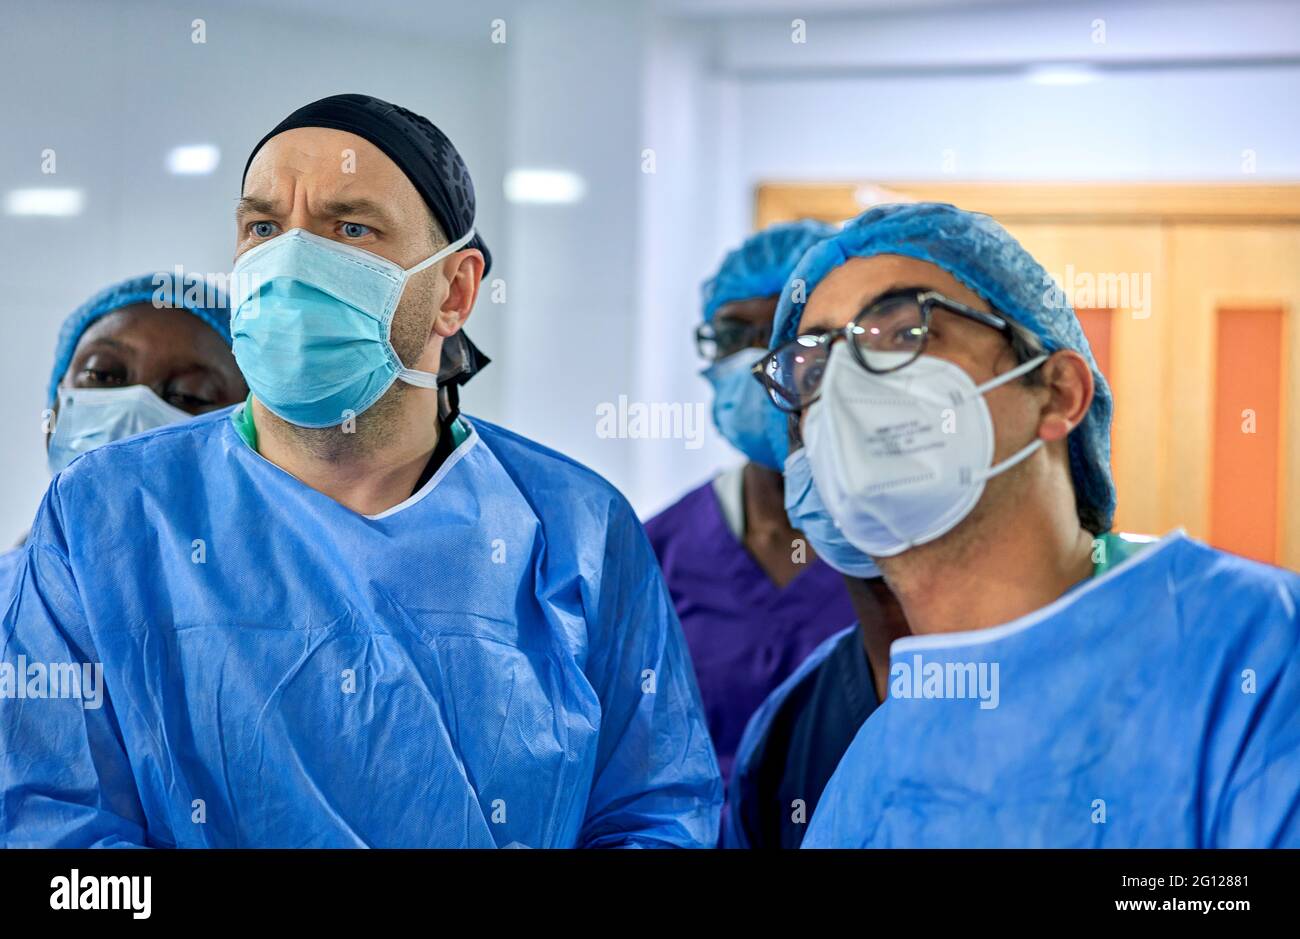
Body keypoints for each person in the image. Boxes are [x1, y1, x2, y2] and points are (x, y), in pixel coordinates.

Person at [0, 93, 721, 848]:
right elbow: (59, 837)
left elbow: (656, 813)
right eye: (264, 227)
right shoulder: (103, 514)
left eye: (350, 227)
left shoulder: (573, 527)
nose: (290, 262)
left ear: (456, 290)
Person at [746, 202, 1299, 848]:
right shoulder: (866, 778)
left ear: (1059, 391)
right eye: (812, 369)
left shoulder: (1251, 651)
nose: (843, 388)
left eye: (901, 332)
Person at [644, 221, 857, 794]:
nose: (758, 360)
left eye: (786, 332)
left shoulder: (899, 541)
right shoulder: (655, 553)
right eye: (734, 334)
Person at [0, 276, 246, 599]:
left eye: (190, 394)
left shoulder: (272, 622)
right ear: (55, 408)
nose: (133, 408)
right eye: (101, 374)